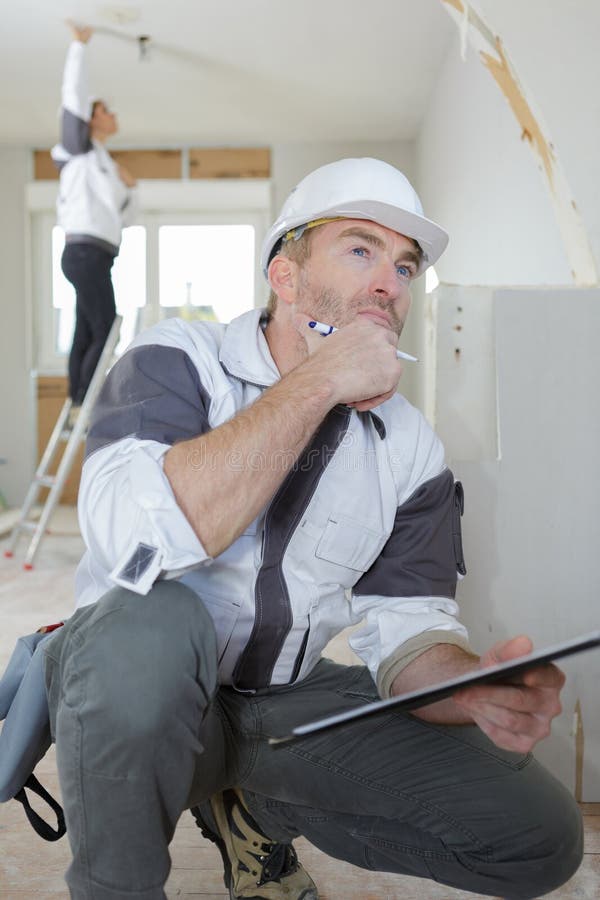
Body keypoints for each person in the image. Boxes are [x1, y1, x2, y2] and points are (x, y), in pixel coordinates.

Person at [43, 157, 582, 900]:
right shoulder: (176, 361)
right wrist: (320, 378)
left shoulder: (409, 444)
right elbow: (143, 535)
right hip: (140, 695)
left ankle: (252, 809)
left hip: (281, 703)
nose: (390, 284)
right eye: (360, 249)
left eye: (404, 265)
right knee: (150, 628)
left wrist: (471, 687)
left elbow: (410, 633)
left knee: (539, 838)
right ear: (286, 276)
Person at [51, 22, 138, 413]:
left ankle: (76, 398)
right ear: (89, 121)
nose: (112, 113)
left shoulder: (106, 165)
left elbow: (126, 220)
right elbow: (73, 96)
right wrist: (78, 46)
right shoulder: (80, 151)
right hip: (84, 253)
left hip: (99, 255)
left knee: (88, 328)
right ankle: (86, 400)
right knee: (105, 328)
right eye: (105, 109)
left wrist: (130, 189)